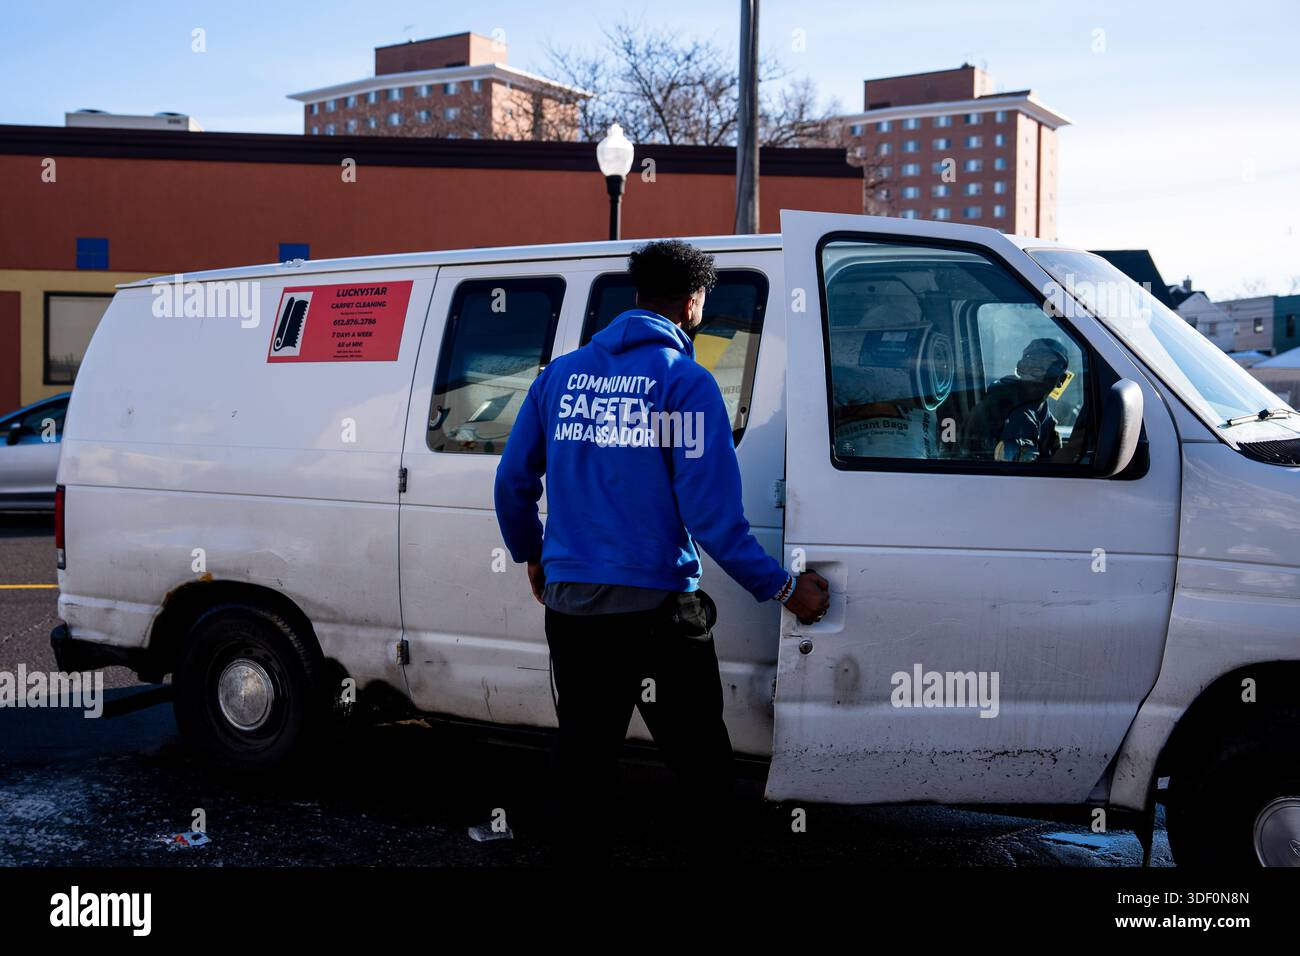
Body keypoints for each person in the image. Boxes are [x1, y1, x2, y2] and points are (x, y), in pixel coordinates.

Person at [494, 239, 829, 863]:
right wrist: (784, 589)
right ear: (694, 302)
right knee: (700, 757)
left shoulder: (560, 377)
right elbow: (714, 519)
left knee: (583, 750)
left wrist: (533, 553)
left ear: (637, 293)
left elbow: (512, 483)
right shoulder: (685, 383)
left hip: (572, 604)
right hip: (657, 613)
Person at [961, 337, 1070, 463]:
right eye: (1032, 362)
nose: (1036, 371)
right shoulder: (1007, 410)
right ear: (1020, 367)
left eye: (1047, 366)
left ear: (1062, 379)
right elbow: (1017, 474)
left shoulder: (1042, 414)